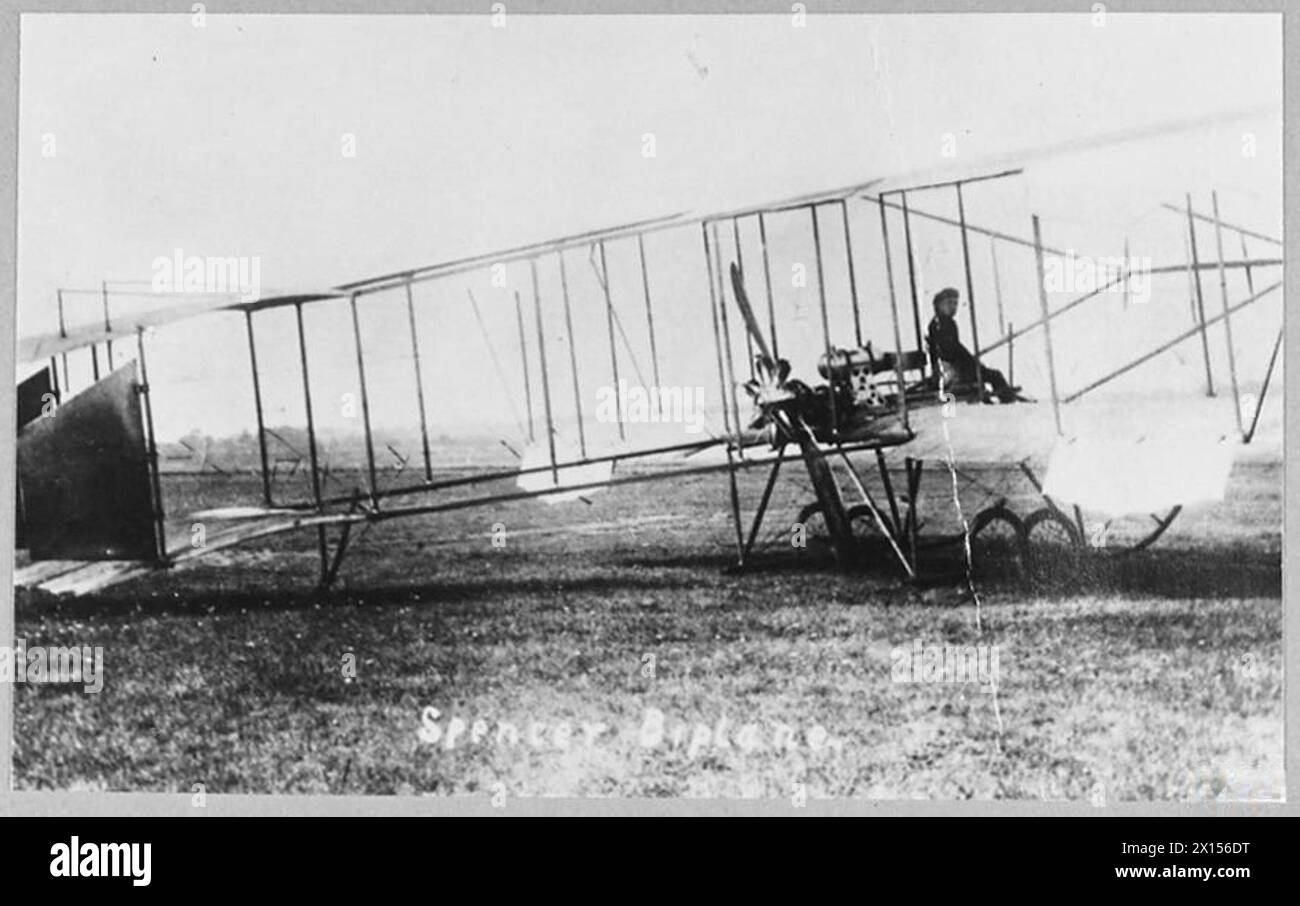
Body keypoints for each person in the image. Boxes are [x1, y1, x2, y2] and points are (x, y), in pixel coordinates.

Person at [926, 287, 1020, 402]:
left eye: (955, 303)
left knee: (988, 376)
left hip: (953, 368)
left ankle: (1002, 397)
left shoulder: (942, 322)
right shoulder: (942, 324)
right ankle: (1008, 402)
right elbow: (951, 350)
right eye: (949, 303)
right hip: (952, 371)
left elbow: (955, 349)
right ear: (939, 304)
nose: (953, 307)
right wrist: (971, 361)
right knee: (995, 375)